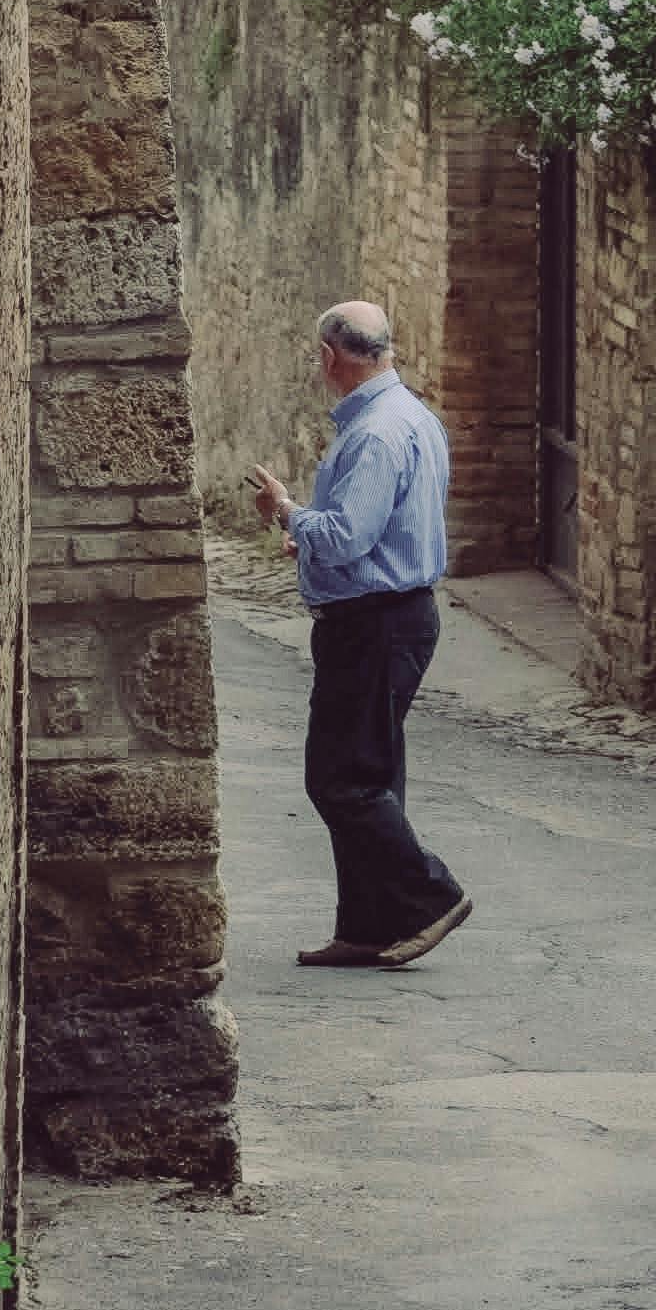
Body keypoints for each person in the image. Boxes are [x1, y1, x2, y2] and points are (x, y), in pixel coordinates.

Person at [252, 301, 473, 969]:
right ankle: (370, 926)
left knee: (341, 779)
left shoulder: (376, 432)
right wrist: (310, 539)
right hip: (390, 616)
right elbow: (381, 529)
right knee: (371, 775)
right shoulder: (412, 416)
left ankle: (431, 897)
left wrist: (287, 511)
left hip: (374, 624)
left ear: (329, 356)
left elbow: (347, 535)